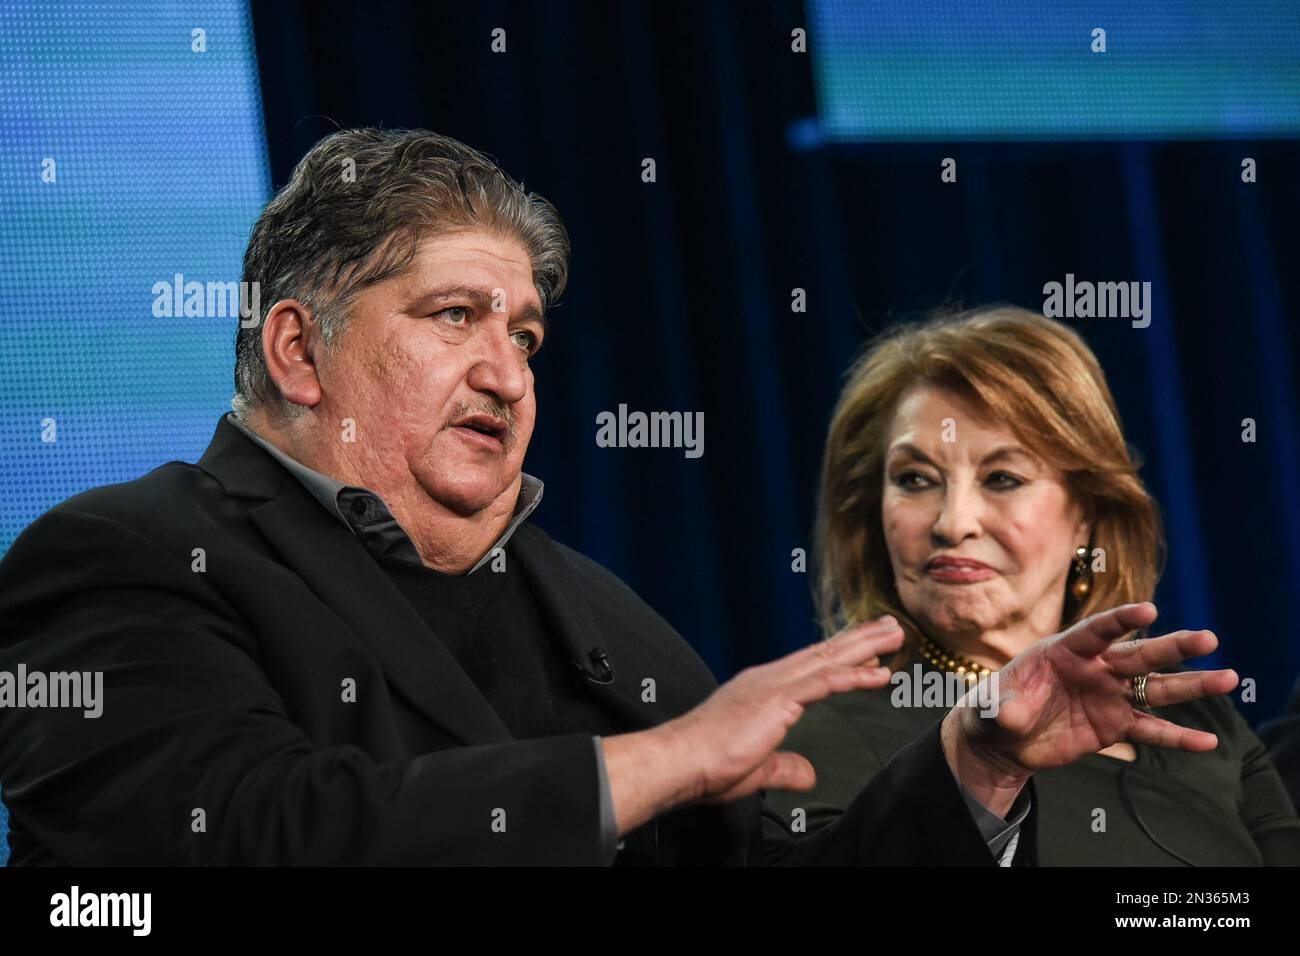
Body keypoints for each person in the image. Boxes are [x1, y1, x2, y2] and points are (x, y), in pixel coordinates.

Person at [0, 132, 1236, 865]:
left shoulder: (588, 604)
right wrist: (641, 767)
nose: (506, 368)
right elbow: (248, 834)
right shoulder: (124, 555)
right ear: (297, 350)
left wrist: (971, 762)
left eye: (526, 332)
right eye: (453, 317)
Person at [765, 306, 1300, 865]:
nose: (952, 522)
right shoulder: (826, 729)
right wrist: (978, 769)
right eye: (915, 479)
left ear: (1086, 514)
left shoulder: (1198, 717)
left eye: (1003, 479)